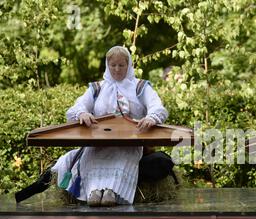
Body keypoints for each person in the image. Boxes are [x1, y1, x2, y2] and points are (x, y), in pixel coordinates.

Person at [51, 46, 168, 206]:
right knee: (90, 156)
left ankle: (111, 193)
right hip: (99, 141)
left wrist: (151, 117)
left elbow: (157, 106)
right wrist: (82, 114)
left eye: (121, 65)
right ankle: (93, 192)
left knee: (121, 157)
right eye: (113, 65)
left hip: (130, 143)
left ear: (129, 65)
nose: (117, 69)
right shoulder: (97, 88)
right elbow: (76, 108)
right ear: (107, 65)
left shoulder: (140, 86)